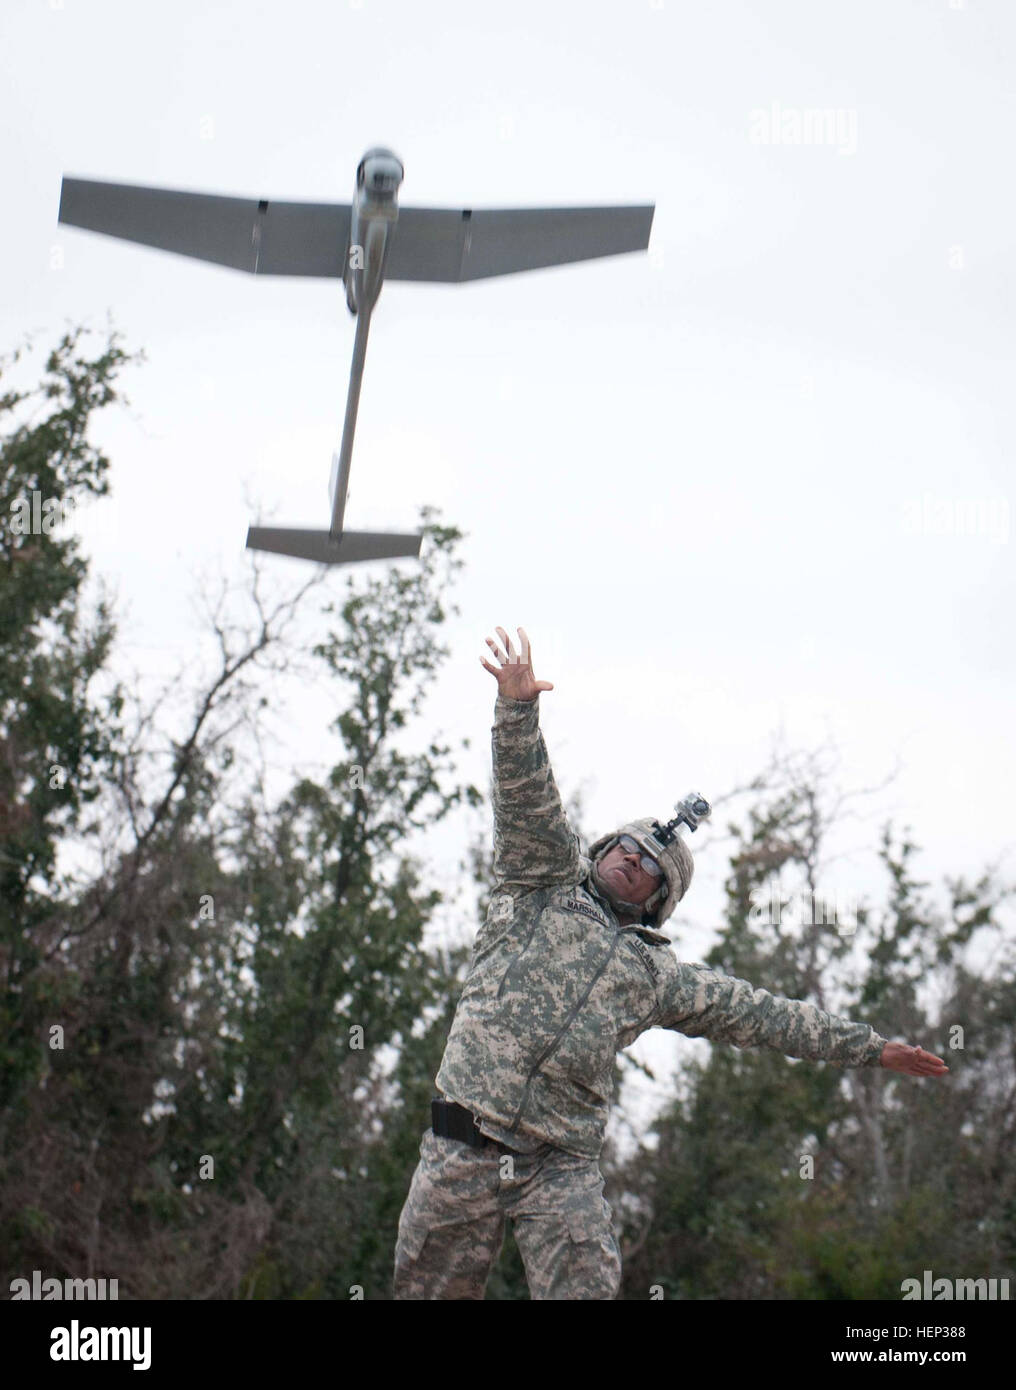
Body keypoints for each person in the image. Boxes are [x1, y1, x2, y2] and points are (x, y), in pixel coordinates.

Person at [392, 626, 949, 1300]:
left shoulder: (656, 975)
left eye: (650, 865)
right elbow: (527, 792)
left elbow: (765, 1015)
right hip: (464, 1142)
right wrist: (517, 709)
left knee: (587, 1289)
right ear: (602, 848)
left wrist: (874, 1049)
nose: (633, 856)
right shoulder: (539, 882)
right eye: (627, 845)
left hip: (557, 1163)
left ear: (659, 901)